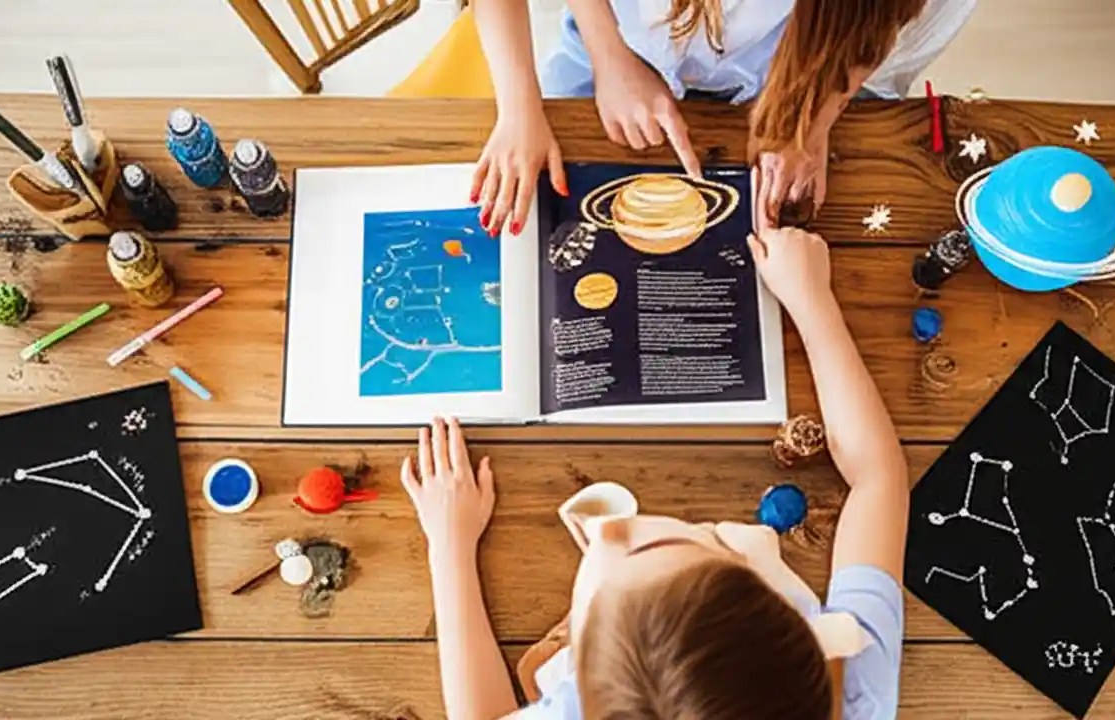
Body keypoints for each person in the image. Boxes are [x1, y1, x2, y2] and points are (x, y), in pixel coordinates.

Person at [401, 226, 910, 719]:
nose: (607, 532)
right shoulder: (852, 684)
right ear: (759, 584)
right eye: (649, 544)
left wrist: (449, 545)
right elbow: (879, 477)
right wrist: (813, 303)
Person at [469, 0, 976, 236]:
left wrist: (813, 118)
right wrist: (525, 106)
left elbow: (873, 24)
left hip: (800, 60)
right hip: (609, 31)